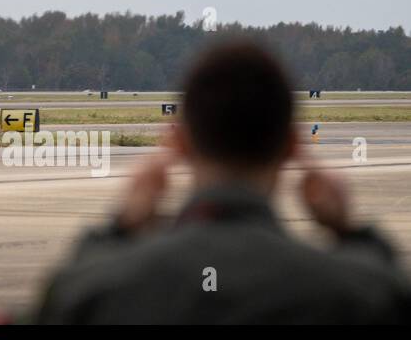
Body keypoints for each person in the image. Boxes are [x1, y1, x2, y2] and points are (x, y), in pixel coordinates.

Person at [35, 40, 411, 324]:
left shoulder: (98, 292)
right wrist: (352, 233)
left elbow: (60, 302)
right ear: (292, 146)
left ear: (179, 142)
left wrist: (118, 228)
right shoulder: (356, 293)